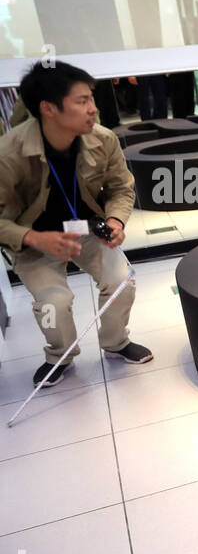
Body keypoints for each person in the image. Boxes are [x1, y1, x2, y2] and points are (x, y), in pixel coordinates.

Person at [0, 62, 152, 387]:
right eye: (82, 101)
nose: (93, 109)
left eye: (91, 99)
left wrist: (115, 219)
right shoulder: (8, 154)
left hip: (84, 229)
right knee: (54, 303)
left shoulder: (103, 139)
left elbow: (121, 186)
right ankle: (60, 355)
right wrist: (32, 237)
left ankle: (116, 342)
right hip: (34, 239)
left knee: (121, 281)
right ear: (49, 108)